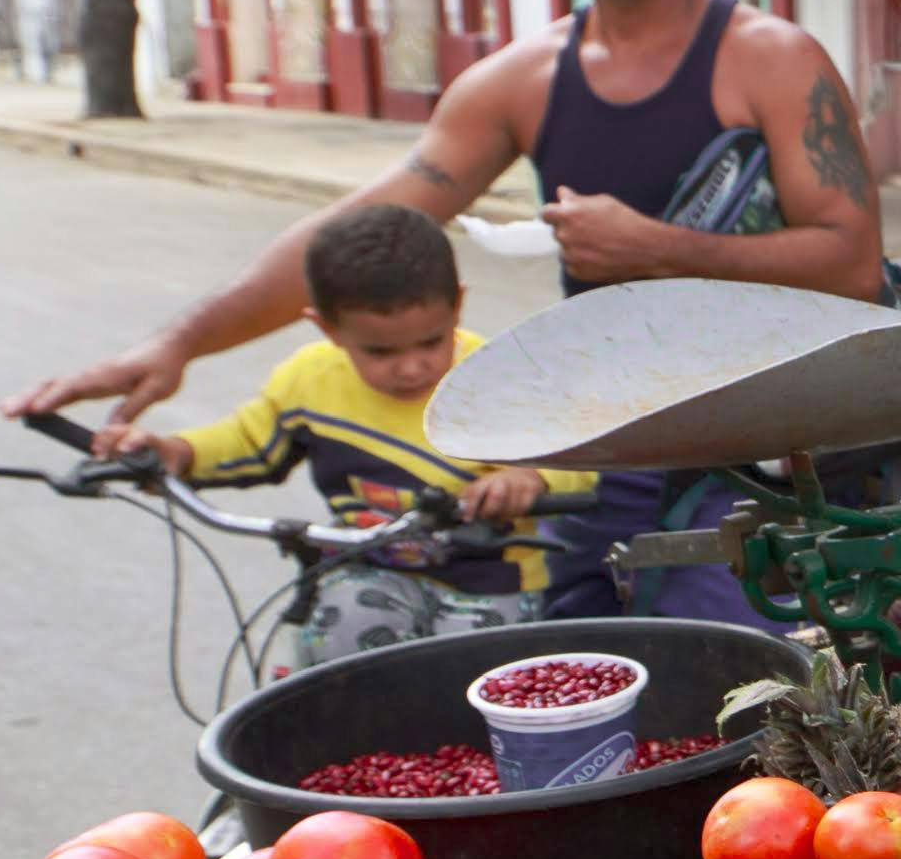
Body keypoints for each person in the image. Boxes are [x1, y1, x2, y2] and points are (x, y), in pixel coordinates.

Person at [8, 0, 891, 620]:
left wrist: (660, 248)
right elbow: (361, 227)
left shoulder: (772, 60)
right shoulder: (519, 81)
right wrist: (178, 343)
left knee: (733, 685)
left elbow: (851, 263)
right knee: (575, 663)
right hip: (612, 442)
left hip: (778, 439)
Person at [112, 204, 590, 652]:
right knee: (344, 625)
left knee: (478, 667)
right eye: (380, 352)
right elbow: (250, 442)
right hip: (367, 566)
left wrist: (530, 477)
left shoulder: (499, 377)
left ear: (458, 306)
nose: (410, 368)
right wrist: (177, 452)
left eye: (430, 342)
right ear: (327, 329)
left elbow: (576, 458)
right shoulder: (309, 381)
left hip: (491, 581)